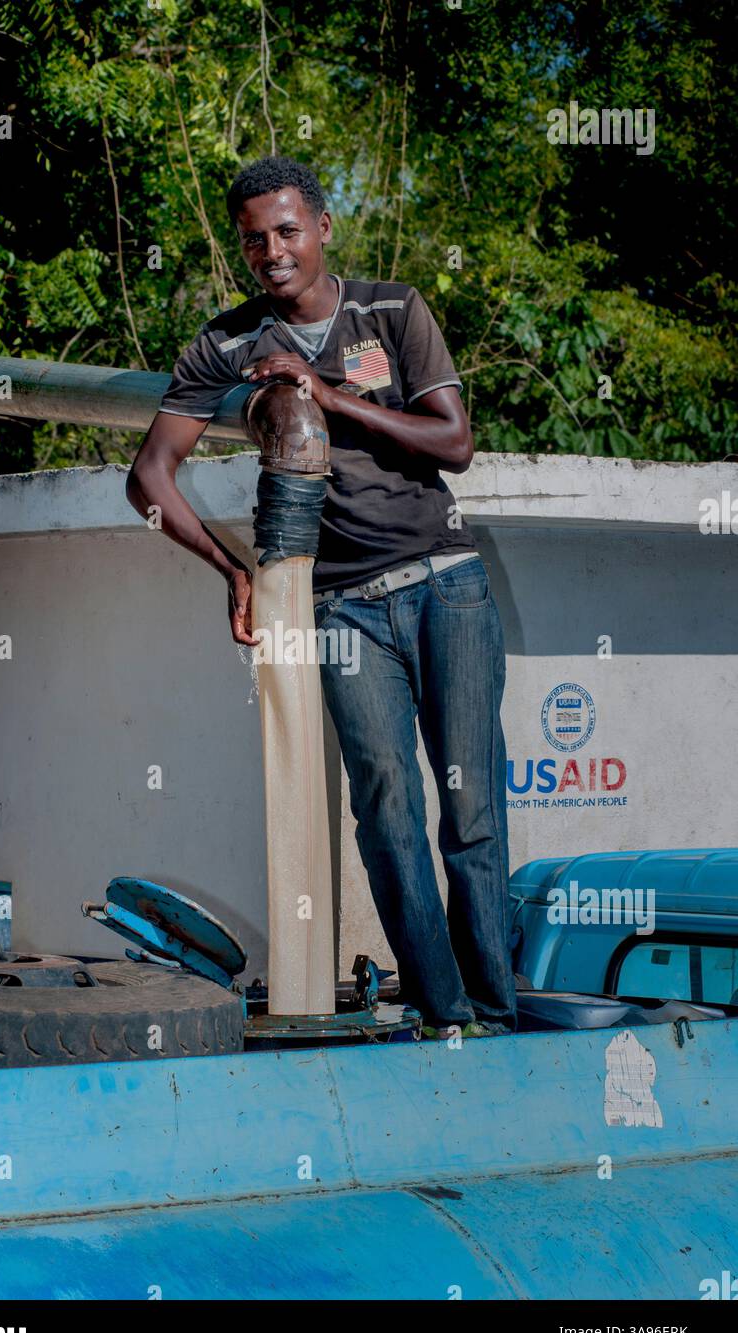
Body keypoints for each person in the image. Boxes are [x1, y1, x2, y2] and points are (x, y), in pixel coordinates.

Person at [127, 155, 516, 1038]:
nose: (272, 251)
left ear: (323, 227)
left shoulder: (391, 308)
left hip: (444, 588)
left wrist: (327, 398)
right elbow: (149, 475)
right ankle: (439, 1013)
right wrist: (232, 571)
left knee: (472, 816)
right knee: (385, 815)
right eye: (254, 238)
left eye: (288, 230)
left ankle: (496, 1012)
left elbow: (452, 442)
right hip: (339, 608)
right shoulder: (224, 344)